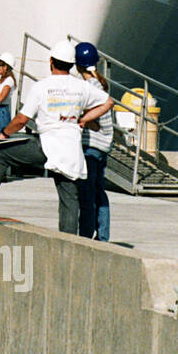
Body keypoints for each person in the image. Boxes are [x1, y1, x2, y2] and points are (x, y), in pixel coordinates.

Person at [0, 41, 113, 235]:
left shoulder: (42, 87)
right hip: (71, 151)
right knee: (69, 200)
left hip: (46, 146)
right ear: (71, 65)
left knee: (1, 152)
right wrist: (81, 119)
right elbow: (108, 102)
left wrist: (4, 134)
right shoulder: (81, 87)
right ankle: (70, 241)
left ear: (51, 62)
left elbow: (22, 119)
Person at [74, 41, 113, 242]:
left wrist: (79, 121)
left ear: (77, 65)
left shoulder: (89, 87)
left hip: (92, 146)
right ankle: (103, 235)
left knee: (86, 194)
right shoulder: (101, 83)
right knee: (99, 192)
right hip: (103, 146)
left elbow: (94, 121)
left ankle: (85, 235)